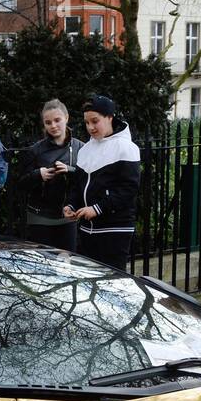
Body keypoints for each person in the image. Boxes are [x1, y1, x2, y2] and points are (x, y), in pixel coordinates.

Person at [64, 95, 141, 271]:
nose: (90, 127)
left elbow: (128, 190)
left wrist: (97, 208)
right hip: (87, 230)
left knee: (113, 283)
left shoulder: (126, 148)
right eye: (87, 122)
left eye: (95, 121)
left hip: (115, 230)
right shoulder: (85, 150)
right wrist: (71, 204)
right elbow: (78, 185)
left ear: (110, 118)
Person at [18, 99, 83, 250]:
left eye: (57, 120)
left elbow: (88, 179)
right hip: (39, 217)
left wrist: (70, 170)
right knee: (43, 265)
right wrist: (38, 175)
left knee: (67, 264)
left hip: (68, 216)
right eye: (48, 122)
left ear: (66, 118)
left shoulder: (80, 147)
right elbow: (20, 184)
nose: (53, 126)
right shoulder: (35, 150)